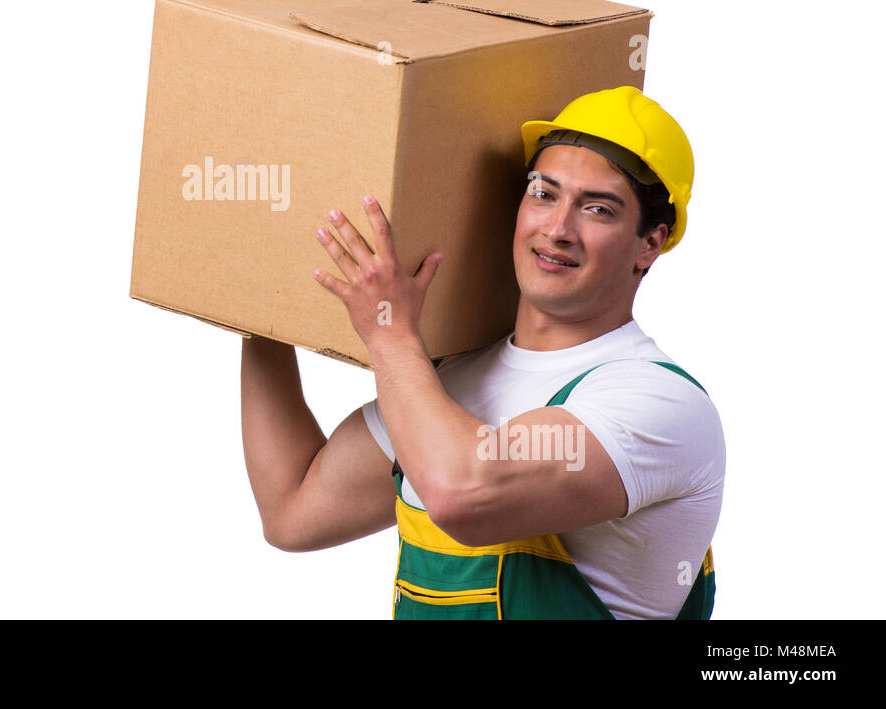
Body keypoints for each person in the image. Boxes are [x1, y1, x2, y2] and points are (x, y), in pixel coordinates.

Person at [240, 86, 724, 619]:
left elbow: (463, 494)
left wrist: (389, 334)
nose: (558, 229)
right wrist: (260, 316)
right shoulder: (446, 385)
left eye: (598, 209)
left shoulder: (658, 404)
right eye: (544, 194)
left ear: (650, 243)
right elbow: (292, 512)